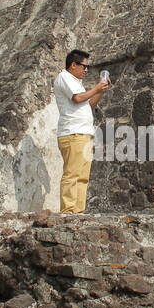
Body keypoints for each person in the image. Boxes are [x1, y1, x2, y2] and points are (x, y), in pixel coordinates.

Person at [55, 49, 111, 212]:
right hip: (73, 133)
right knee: (72, 174)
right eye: (84, 67)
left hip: (83, 134)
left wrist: (100, 91)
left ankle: (77, 211)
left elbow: (89, 104)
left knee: (82, 177)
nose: (86, 70)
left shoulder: (75, 83)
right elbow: (78, 98)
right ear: (73, 65)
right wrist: (96, 87)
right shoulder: (64, 77)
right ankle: (68, 211)